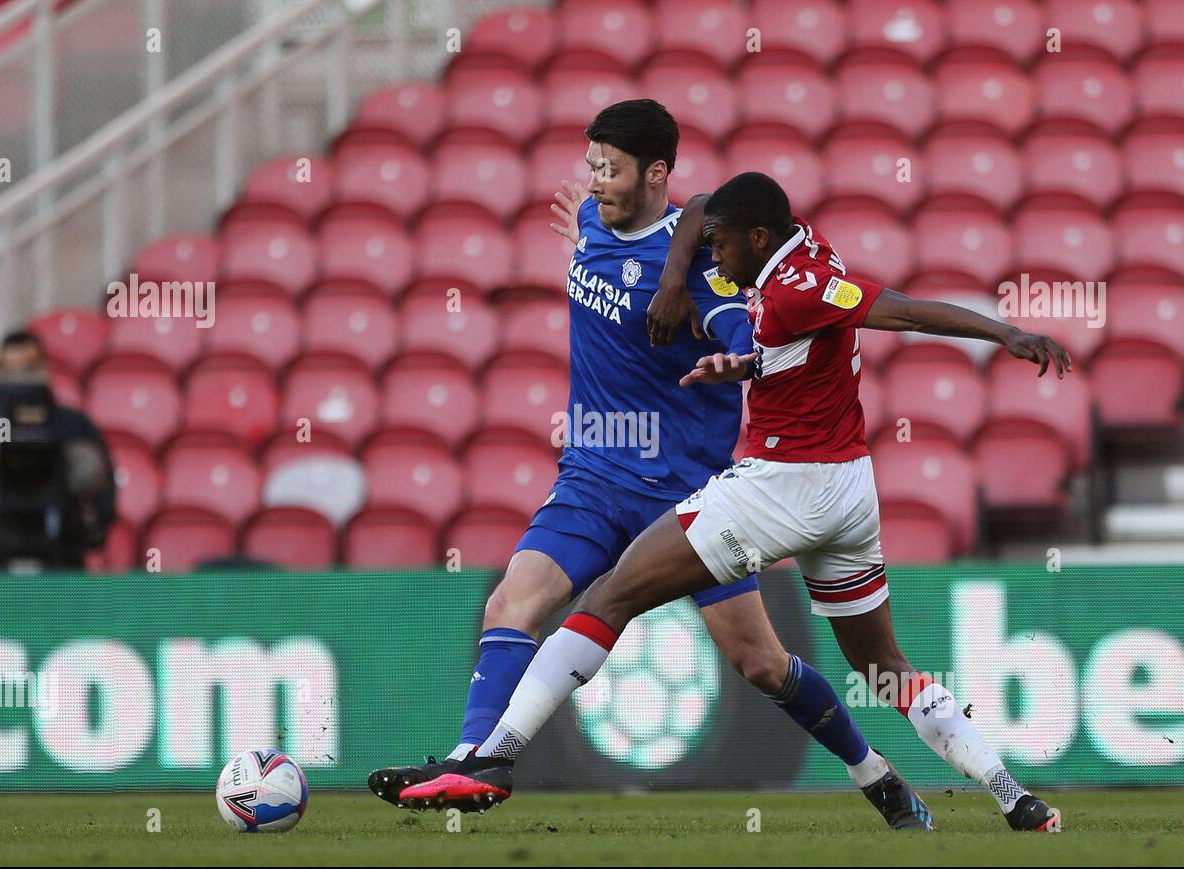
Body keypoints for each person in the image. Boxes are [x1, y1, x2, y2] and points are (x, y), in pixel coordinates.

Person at [400, 171, 1071, 833]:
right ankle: (1012, 797)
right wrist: (722, 343)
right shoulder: (796, 244)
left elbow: (899, 308)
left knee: (610, 598)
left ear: (756, 237)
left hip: (783, 486)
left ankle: (498, 758)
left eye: (722, 248)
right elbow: (698, 213)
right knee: (884, 669)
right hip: (850, 492)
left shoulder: (801, 288)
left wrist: (1002, 333)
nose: (712, 259)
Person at [370, 102, 933, 829]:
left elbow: (731, 313)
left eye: (611, 168)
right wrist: (586, 224)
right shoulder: (593, 227)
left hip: (684, 496)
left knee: (761, 664)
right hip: (593, 479)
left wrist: (736, 354)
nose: (596, 180)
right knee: (511, 604)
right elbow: (620, 230)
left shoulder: (704, 264)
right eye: (592, 166)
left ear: (657, 172)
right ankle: (470, 760)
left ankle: (875, 775)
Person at [0, 330, 114, 570]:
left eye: (28, 369)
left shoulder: (73, 425)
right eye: (11, 371)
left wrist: (93, 525)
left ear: (43, 369)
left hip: (63, 551)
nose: (20, 380)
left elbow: (102, 486)